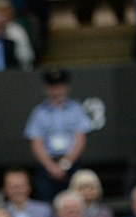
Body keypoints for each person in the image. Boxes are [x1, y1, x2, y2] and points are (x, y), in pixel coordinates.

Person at [24, 68, 92, 200]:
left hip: (71, 163)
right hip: (48, 164)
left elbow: (80, 140)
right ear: (46, 88)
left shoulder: (77, 110)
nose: (56, 91)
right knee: (44, 197)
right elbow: (36, 143)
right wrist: (51, 167)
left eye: (60, 86)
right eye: (52, 87)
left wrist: (66, 164)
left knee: (76, 198)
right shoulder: (39, 113)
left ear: (67, 88)